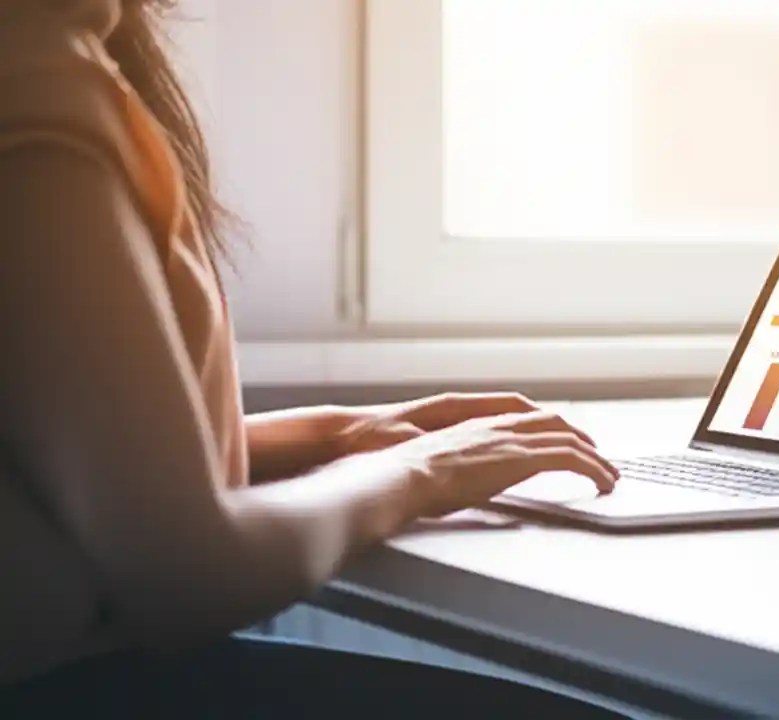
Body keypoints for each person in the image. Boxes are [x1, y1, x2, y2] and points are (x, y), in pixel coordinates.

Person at [0, 0, 625, 715]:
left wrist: (329, 436)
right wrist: (415, 472)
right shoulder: (33, 87)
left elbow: (61, 450)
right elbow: (186, 576)